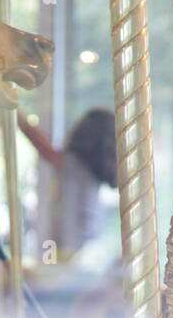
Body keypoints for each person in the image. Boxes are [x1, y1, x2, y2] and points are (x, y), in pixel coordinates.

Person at [17, 107, 118, 260]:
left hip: (67, 241)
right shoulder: (94, 169)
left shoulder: (73, 165)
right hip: (87, 238)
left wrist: (17, 112)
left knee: (49, 273)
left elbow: (41, 143)